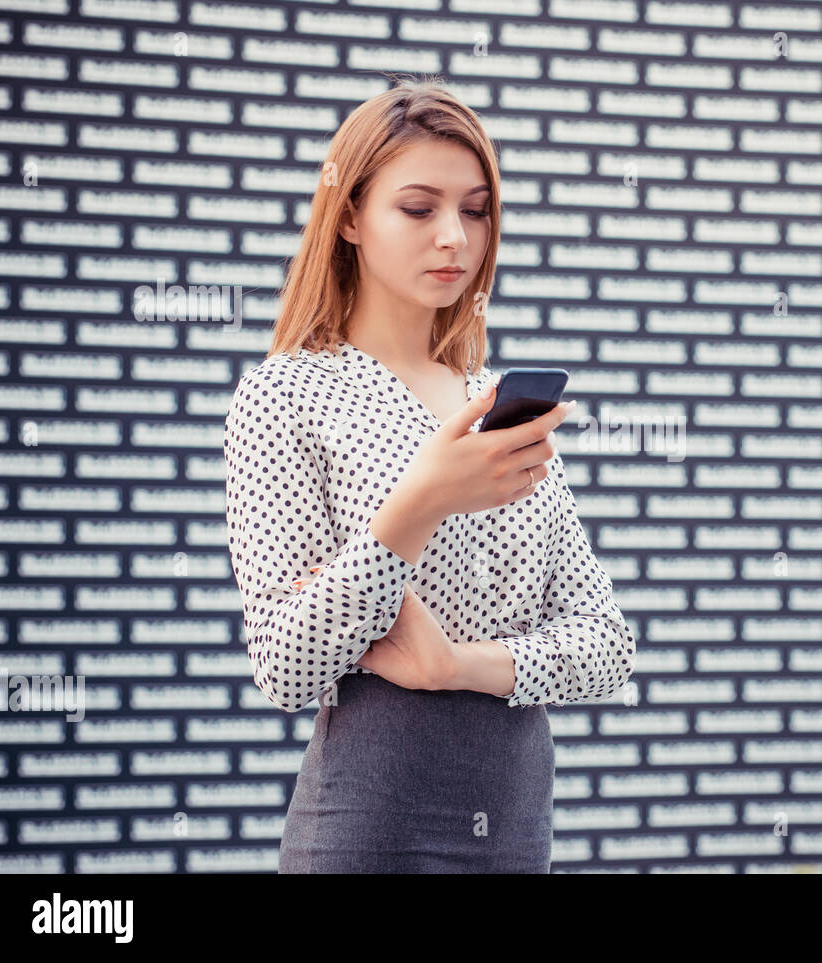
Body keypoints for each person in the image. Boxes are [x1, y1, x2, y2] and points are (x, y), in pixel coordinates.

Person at [222, 76, 636, 873]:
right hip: (370, 826)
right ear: (348, 217)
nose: (455, 236)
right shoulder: (286, 394)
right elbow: (285, 664)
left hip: (515, 830)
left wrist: (457, 666)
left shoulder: (488, 403)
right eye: (419, 208)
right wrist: (421, 501)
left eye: (475, 210)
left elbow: (607, 646)